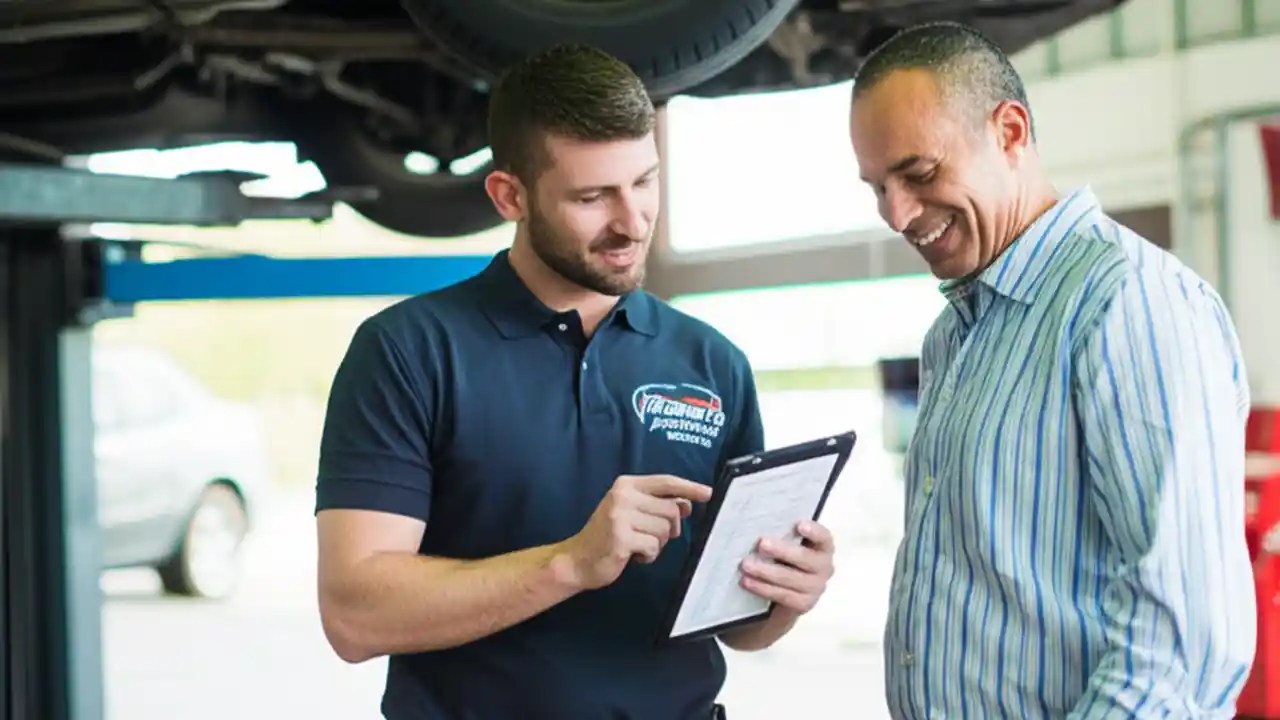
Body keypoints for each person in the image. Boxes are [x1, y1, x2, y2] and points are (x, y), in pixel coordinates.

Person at [313, 43, 836, 720]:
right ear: (510, 196)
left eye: (644, 181)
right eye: (592, 196)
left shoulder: (712, 364)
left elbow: (736, 627)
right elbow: (355, 616)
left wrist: (783, 598)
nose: (632, 221)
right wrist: (571, 563)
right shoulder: (409, 351)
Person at [848, 21, 1255, 718]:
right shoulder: (955, 334)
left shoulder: (1128, 301)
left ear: (1009, 133)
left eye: (919, 174)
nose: (898, 215)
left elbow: (1182, 641)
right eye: (878, 187)